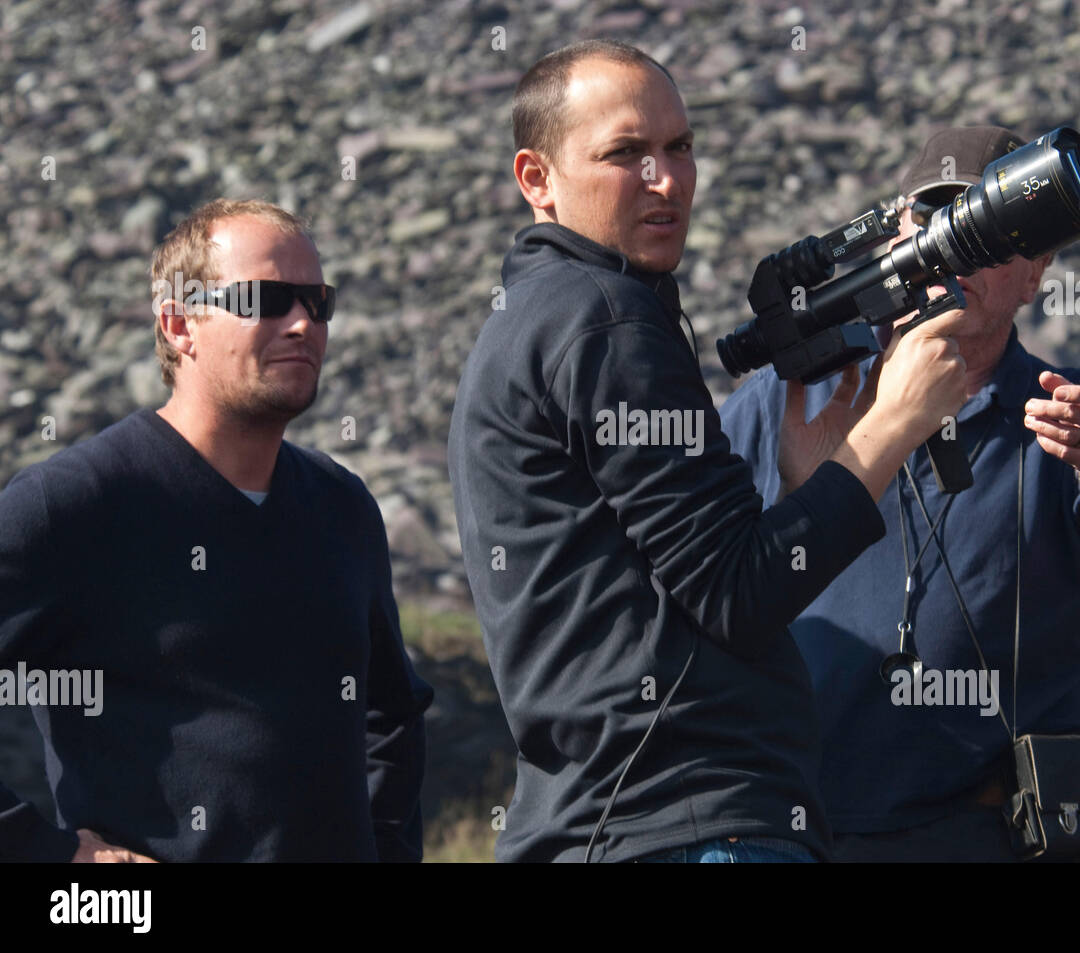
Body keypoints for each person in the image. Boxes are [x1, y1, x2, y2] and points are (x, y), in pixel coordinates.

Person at [447, 40, 968, 863]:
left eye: (680, 147)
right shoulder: (605, 318)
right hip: (687, 825)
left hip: (616, 824)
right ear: (536, 178)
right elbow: (740, 594)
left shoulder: (537, 318)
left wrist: (807, 483)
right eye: (626, 153)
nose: (667, 178)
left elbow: (687, 590)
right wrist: (892, 424)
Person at [720, 125, 1080, 861]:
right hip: (794, 828)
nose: (954, 252)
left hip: (985, 834)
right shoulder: (791, 399)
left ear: (1035, 270)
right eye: (932, 220)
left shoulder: (1067, 411)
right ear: (892, 239)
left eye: (987, 230)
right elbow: (695, 580)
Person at [0, 198, 433, 862]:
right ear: (179, 323)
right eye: (266, 298)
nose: (302, 323)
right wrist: (47, 855)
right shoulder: (73, 504)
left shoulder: (342, 505)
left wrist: (385, 849)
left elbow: (390, 715)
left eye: (319, 302)